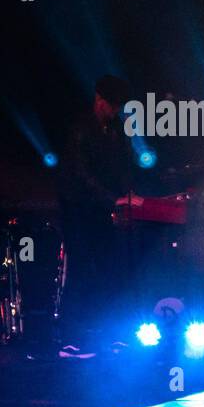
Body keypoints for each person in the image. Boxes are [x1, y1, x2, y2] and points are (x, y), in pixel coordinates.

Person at [59, 75, 134, 339]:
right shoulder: (81, 129)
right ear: (99, 99)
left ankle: (104, 332)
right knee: (80, 269)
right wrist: (109, 198)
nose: (113, 110)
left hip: (103, 210)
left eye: (117, 106)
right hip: (79, 210)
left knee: (108, 269)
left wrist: (126, 196)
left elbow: (124, 166)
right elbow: (80, 174)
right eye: (110, 104)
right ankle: (70, 335)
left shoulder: (116, 130)